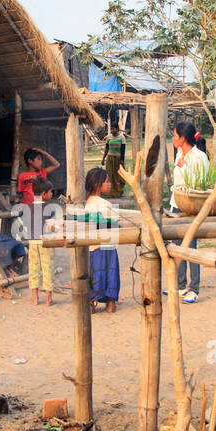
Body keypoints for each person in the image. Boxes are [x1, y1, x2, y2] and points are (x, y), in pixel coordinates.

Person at [170, 121, 210, 303]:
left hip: (191, 207)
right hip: (176, 205)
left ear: (183, 138)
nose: (173, 138)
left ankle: (194, 288)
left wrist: (183, 166)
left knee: (191, 246)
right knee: (177, 245)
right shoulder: (179, 153)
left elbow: (200, 182)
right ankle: (180, 285)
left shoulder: (199, 157)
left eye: (175, 135)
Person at [82, 167, 120, 312]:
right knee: (111, 273)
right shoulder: (104, 204)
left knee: (95, 273)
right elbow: (113, 223)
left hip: (93, 247)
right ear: (98, 185)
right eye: (107, 181)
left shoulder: (88, 202)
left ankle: (92, 302)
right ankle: (111, 303)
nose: (110, 184)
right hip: (107, 245)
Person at [25, 176, 56, 307]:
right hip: (46, 243)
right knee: (48, 268)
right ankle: (48, 299)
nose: (52, 194)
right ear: (44, 194)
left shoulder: (27, 208)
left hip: (32, 243)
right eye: (50, 192)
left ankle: (35, 298)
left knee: (34, 269)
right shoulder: (49, 208)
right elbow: (52, 227)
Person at [103, 123, 125, 195]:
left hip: (118, 159)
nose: (112, 130)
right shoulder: (109, 137)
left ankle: (119, 190)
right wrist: (103, 158)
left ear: (117, 129)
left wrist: (122, 160)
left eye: (113, 129)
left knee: (118, 175)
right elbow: (106, 149)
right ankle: (111, 191)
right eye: (111, 129)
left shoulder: (121, 137)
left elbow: (123, 150)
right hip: (110, 158)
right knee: (110, 174)